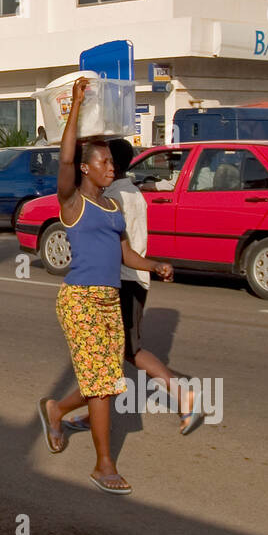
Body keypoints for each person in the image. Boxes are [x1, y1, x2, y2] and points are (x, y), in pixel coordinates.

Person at [36, 78, 174, 495]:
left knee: (108, 379)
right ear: (85, 167)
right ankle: (104, 464)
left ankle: (56, 409)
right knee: (103, 384)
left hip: (109, 299)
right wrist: (76, 104)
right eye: (104, 163)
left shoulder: (113, 206)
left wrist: (155, 265)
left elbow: (124, 254)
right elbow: (63, 160)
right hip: (79, 300)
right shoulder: (72, 202)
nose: (112, 167)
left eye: (113, 162)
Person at [65, 138, 203, 435]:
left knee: (128, 351)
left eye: (109, 161)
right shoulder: (132, 192)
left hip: (122, 280)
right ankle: (93, 414)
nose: (108, 166)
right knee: (106, 358)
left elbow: (119, 248)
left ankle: (181, 393)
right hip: (133, 279)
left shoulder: (112, 197)